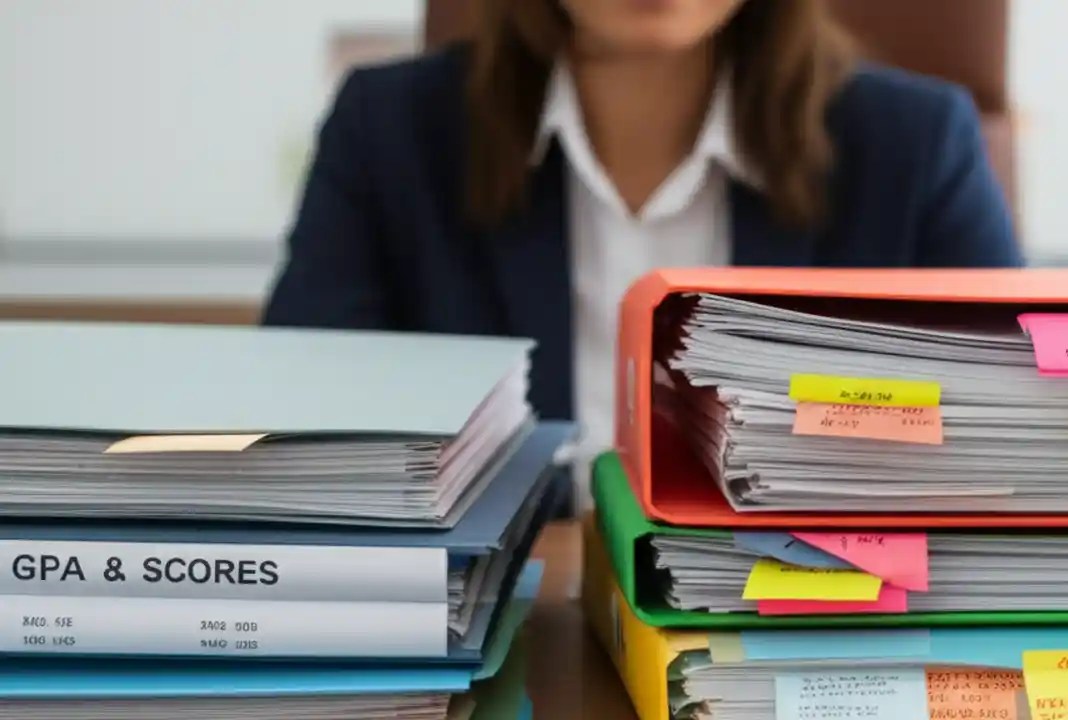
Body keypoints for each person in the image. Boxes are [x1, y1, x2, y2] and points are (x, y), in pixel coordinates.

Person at [263, 0, 1022, 494]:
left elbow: (1015, 438)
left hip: (801, 629)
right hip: (501, 619)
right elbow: (304, 436)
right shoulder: (387, 128)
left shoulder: (915, 143)